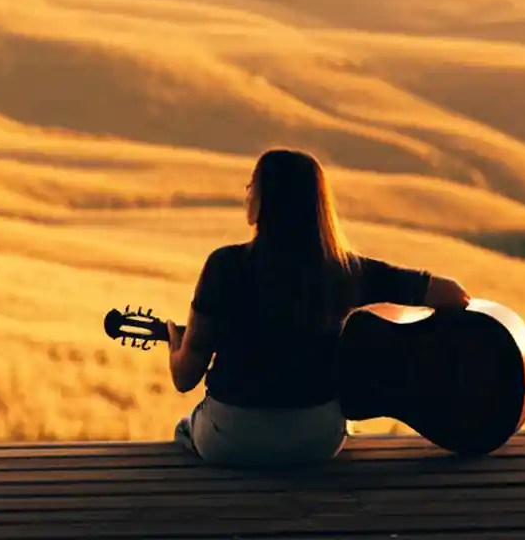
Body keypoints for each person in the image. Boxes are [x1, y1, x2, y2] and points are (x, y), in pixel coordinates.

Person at [165, 148, 471, 468]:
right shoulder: (347, 270)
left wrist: (176, 347)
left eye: (252, 184)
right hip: (316, 440)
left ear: (263, 200)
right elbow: (454, 295)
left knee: (184, 429)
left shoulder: (223, 266)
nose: (247, 192)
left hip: (232, 438)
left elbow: (185, 378)